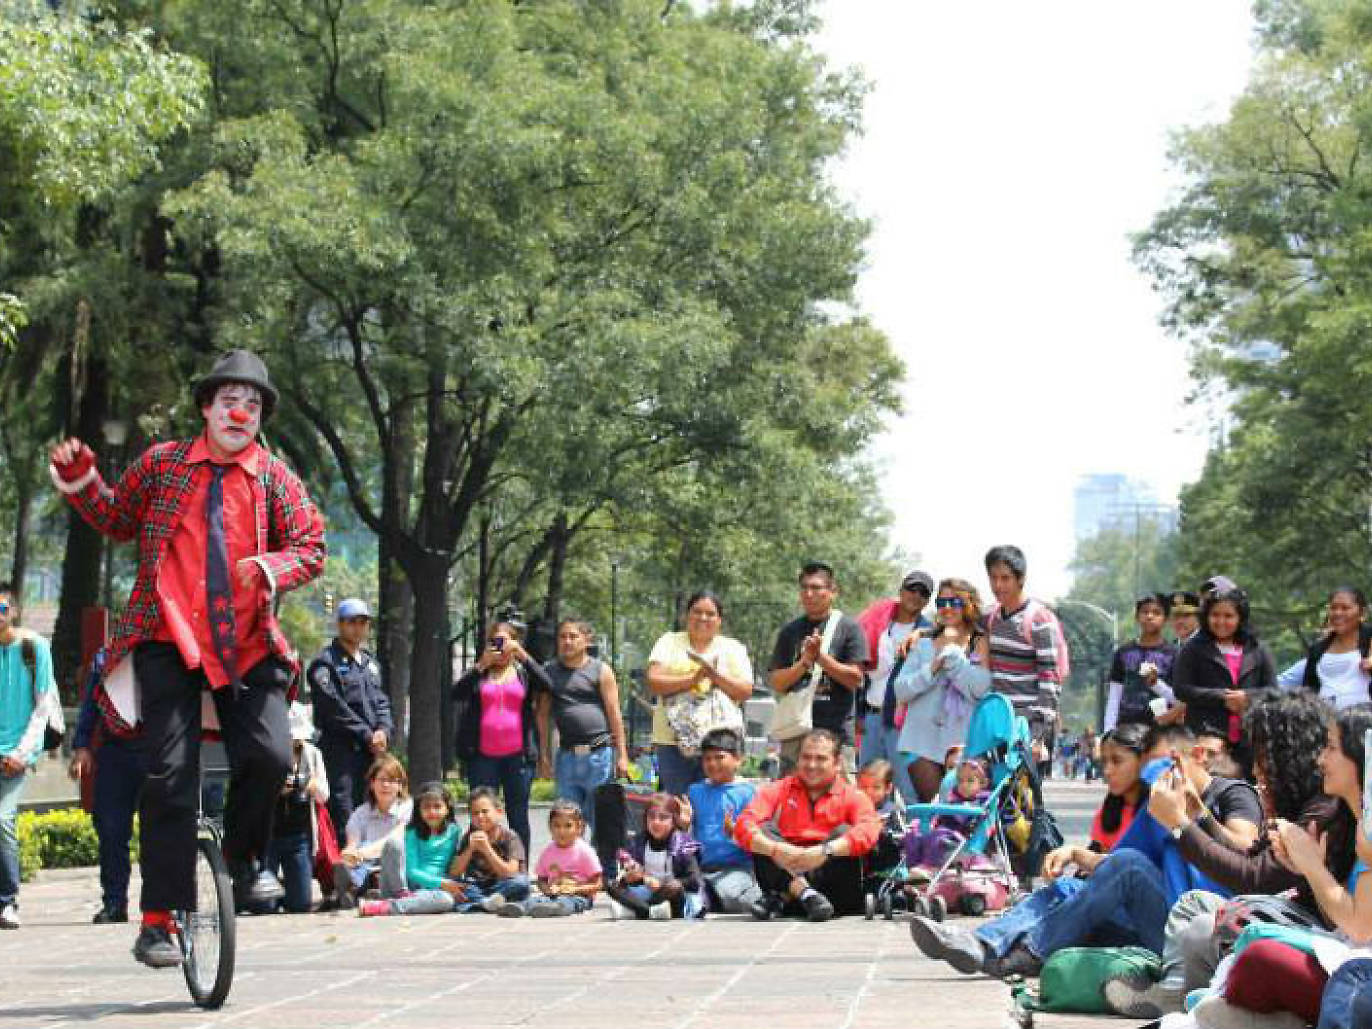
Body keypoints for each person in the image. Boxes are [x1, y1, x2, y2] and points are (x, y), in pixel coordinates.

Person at [49, 349, 327, 967]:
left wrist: (267, 568)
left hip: (249, 642)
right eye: (229, 400)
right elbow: (117, 518)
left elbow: (312, 548)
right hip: (166, 636)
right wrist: (82, 483)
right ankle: (157, 919)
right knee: (168, 780)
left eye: (253, 404)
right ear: (206, 407)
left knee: (271, 756)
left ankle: (243, 859)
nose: (240, 412)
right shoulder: (165, 464)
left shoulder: (276, 478)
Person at [1102, 693, 1347, 1018]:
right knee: (1193, 903)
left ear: (1290, 755)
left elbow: (1254, 877)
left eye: (1264, 757)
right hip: (1292, 917)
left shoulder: (1323, 809)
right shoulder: (1305, 804)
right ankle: (1176, 989)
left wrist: (1179, 826)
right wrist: (1199, 815)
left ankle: (1181, 996)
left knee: (1203, 927)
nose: (1257, 770)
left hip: (1318, 935)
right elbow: (1253, 856)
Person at [910, 722, 1160, 977]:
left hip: (1154, 924)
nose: (1107, 770)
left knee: (1108, 872)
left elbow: (1123, 869)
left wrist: (1074, 853)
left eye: (1117, 761)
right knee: (1064, 889)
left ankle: (1024, 951)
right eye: (1103, 761)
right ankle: (983, 944)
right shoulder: (1110, 813)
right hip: (1114, 915)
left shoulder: (1159, 808)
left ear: (1144, 762)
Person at [1189, 705, 1372, 1028]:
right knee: (1244, 951)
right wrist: (1309, 871)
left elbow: (1361, 929)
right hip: (1349, 960)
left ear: (1361, 755)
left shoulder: (1362, 829)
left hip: (1359, 977)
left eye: (1331, 748)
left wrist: (1312, 866)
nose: (1320, 760)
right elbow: (1342, 922)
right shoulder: (1352, 822)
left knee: (1260, 959)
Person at [734, 728, 881, 921]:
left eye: (820, 759)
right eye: (806, 757)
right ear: (797, 760)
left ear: (837, 763)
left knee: (845, 832)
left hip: (833, 893)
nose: (812, 765)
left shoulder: (854, 796)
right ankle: (805, 894)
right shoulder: (779, 789)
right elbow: (744, 825)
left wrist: (823, 852)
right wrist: (776, 849)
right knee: (763, 831)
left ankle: (788, 894)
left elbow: (869, 831)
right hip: (787, 863)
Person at [453, 619, 551, 854]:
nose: (501, 648)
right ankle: (480, 864)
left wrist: (523, 655)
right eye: (495, 642)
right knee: (481, 814)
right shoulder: (481, 673)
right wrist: (480, 665)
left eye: (506, 642)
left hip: (518, 757)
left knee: (518, 815)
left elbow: (547, 684)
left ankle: (520, 867)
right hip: (483, 757)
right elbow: (456, 694)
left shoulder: (522, 673)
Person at [645, 590, 753, 795]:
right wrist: (692, 680)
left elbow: (744, 691)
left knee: (716, 803)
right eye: (697, 612)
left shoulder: (733, 648)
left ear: (719, 620)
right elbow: (654, 681)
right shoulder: (669, 642)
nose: (703, 618)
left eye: (710, 614)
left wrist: (714, 675)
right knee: (677, 805)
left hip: (718, 744)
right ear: (686, 615)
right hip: (672, 743)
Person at [893, 577, 991, 801]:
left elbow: (978, 691)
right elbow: (901, 690)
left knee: (958, 814)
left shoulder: (980, 642)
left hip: (961, 746)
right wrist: (933, 667)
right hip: (920, 742)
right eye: (941, 602)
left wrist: (953, 656)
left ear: (968, 604)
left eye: (954, 602)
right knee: (932, 810)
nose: (946, 608)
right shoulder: (924, 642)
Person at [768, 564, 868, 776]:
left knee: (839, 801)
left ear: (833, 592)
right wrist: (805, 662)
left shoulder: (849, 629)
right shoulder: (790, 631)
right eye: (804, 588)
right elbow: (777, 682)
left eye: (816, 588)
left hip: (836, 733)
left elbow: (855, 679)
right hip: (796, 732)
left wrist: (820, 658)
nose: (809, 594)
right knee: (792, 801)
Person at [69, 648, 145, 924]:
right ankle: (114, 902)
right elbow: (91, 703)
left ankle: (157, 906)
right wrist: (82, 745)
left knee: (158, 832)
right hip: (117, 750)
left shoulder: (170, 650)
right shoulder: (106, 658)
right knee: (111, 830)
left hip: (160, 750)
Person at [307, 598, 392, 837]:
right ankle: (345, 867)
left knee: (371, 807)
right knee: (343, 811)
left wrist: (384, 730)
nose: (358, 627)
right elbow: (333, 707)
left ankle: (368, 865)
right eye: (351, 622)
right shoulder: (325, 663)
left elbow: (382, 701)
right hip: (340, 752)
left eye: (363, 622)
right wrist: (367, 734)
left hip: (370, 752)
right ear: (340, 625)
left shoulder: (370, 663)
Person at [0, 586, 56, 930]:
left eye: (1, 607)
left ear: (13, 612)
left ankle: (7, 901)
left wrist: (22, 753)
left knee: (3, 821)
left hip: (16, 754)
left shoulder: (33, 648)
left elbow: (43, 706)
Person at [538, 618, 629, 826]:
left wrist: (622, 755)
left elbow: (615, 713)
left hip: (599, 757)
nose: (567, 641)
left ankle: (602, 860)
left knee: (601, 823)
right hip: (566, 758)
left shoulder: (601, 670)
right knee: (567, 821)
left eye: (573, 636)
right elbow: (542, 715)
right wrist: (544, 756)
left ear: (587, 640)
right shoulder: (549, 673)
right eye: (562, 637)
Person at [855, 569, 934, 805]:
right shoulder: (876, 623)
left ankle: (915, 840)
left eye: (923, 592)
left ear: (927, 600)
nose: (916, 595)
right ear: (901, 592)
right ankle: (871, 839)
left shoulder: (929, 633)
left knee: (908, 790)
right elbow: (860, 669)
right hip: (870, 718)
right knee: (868, 788)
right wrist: (858, 714)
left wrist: (925, 633)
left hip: (904, 722)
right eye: (911, 589)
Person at [1173, 584, 1277, 759]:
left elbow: (1273, 691)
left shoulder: (1258, 648)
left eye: (1228, 616)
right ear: (1206, 617)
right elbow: (1182, 689)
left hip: (1250, 738)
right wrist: (1222, 697)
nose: (1221, 622)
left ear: (1240, 618)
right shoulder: (1193, 648)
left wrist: (1247, 697)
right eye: (1215, 615)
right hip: (1206, 739)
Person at [982, 545, 1065, 747]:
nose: (998, 585)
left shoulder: (1038, 619)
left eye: (1005, 578)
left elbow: (1050, 679)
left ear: (1020, 579)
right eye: (993, 578)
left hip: (1028, 729)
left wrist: (1039, 736)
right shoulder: (990, 617)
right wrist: (920, 633)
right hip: (997, 724)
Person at [682, 728, 763, 915]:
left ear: (738, 759)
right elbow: (689, 839)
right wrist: (685, 826)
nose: (713, 764)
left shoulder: (748, 793)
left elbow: (758, 837)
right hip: (701, 868)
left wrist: (736, 833)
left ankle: (708, 898)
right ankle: (705, 896)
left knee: (735, 895)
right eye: (707, 759)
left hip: (736, 868)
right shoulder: (695, 791)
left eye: (719, 757)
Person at [261, 703, 329, 914]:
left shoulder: (313, 754)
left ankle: (289, 888)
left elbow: (323, 794)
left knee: (300, 904)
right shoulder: (265, 752)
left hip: (299, 835)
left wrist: (302, 783)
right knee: (263, 906)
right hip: (268, 834)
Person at [359, 781, 461, 917]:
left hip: (435, 891)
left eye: (437, 807)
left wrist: (452, 885)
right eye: (426, 807)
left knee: (446, 900)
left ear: (447, 809)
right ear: (418, 810)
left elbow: (457, 864)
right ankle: (394, 904)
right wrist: (441, 882)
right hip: (405, 886)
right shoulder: (413, 832)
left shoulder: (455, 832)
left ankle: (390, 905)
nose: (432, 812)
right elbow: (411, 872)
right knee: (393, 843)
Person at [493, 800, 602, 917]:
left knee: (568, 903)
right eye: (557, 826)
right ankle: (520, 907)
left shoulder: (584, 851)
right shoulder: (549, 851)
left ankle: (555, 909)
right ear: (550, 827)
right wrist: (547, 889)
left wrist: (574, 889)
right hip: (553, 895)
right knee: (535, 900)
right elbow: (541, 879)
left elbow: (598, 884)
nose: (562, 831)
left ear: (579, 828)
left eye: (568, 826)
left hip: (579, 896)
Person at [332, 755, 411, 910]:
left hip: (398, 862)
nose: (386, 785)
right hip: (367, 865)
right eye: (381, 780)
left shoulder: (407, 807)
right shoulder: (361, 813)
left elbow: (393, 839)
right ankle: (351, 886)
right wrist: (348, 856)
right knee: (353, 856)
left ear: (400, 786)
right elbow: (352, 844)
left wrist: (362, 853)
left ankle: (353, 887)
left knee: (382, 845)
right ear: (372, 784)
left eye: (392, 780)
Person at [607, 793, 704, 920]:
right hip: (650, 893)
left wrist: (665, 884)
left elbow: (694, 880)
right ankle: (648, 911)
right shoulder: (638, 843)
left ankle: (637, 910)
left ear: (674, 820)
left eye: (663, 818)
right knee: (612, 886)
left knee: (674, 888)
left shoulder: (684, 844)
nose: (656, 822)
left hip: (674, 896)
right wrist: (630, 878)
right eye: (651, 817)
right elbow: (630, 878)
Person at [1277, 586, 1372, 710]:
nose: (1338, 613)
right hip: (1325, 723)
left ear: (1362, 613)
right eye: (1333, 608)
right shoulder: (1317, 650)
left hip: (1365, 722)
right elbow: (1308, 691)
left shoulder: (1369, 640)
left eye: (1345, 608)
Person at [1104, 592, 1181, 730]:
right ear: (1137, 617)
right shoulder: (1123, 652)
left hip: (1161, 729)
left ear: (1166, 619)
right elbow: (1114, 696)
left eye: (1156, 613)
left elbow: (1179, 700)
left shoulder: (1175, 654)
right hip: (1126, 728)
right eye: (1145, 612)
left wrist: (1156, 684)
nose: (1150, 616)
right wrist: (1108, 731)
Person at [448, 786, 530, 913]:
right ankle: (487, 903)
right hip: (477, 887)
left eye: (485, 811)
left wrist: (487, 849)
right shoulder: (468, 837)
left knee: (521, 882)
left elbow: (510, 872)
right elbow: (454, 872)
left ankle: (480, 904)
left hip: (503, 885)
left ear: (499, 812)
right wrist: (470, 849)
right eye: (475, 813)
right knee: (455, 884)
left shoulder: (510, 837)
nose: (480, 816)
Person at [903, 757, 990, 874]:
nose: (963, 785)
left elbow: (972, 820)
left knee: (937, 836)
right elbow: (939, 814)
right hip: (943, 832)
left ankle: (930, 867)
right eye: (960, 780)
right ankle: (912, 869)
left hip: (961, 837)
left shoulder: (982, 801)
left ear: (983, 783)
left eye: (970, 780)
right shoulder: (953, 797)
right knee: (913, 835)